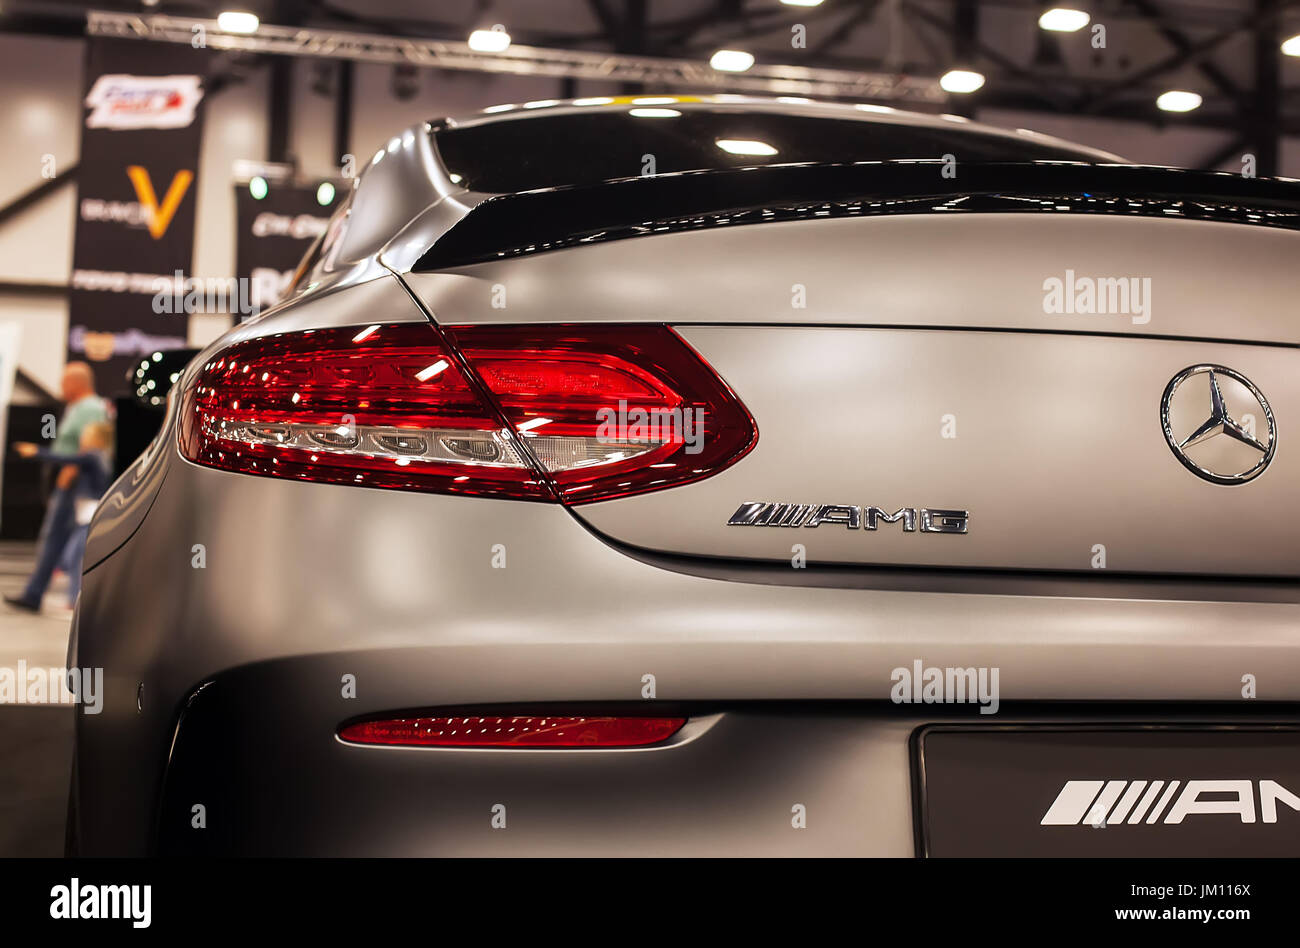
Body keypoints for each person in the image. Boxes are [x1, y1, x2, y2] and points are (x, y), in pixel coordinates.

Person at [4, 362, 109, 613]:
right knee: (59, 541)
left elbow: (91, 443)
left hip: (76, 484)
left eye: (64, 382)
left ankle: (62, 597)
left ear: (76, 382)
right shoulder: (76, 408)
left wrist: (69, 471)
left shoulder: (91, 408)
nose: (62, 387)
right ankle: (36, 593)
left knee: (70, 543)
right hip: (72, 482)